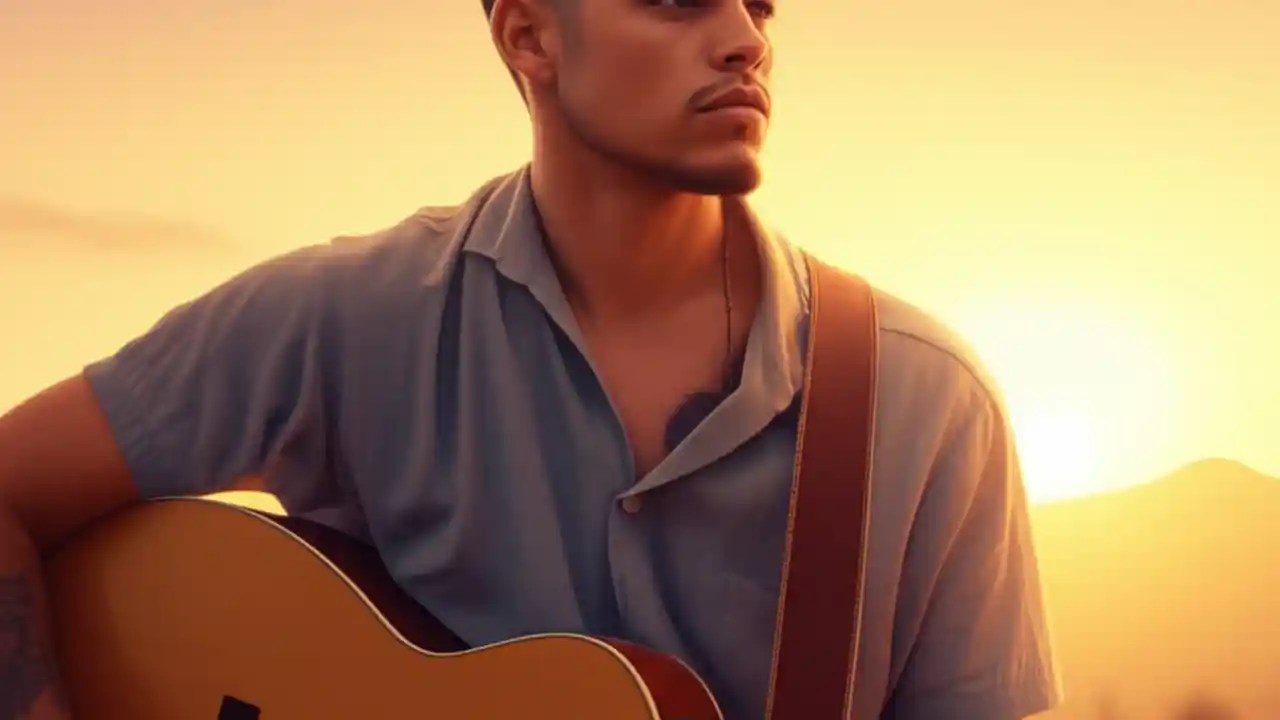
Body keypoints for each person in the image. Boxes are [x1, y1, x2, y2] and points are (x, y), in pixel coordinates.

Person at [0, 1, 1063, 718]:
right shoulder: (342, 319)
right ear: (529, 36)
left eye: (759, 4)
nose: (746, 39)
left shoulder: (927, 407)